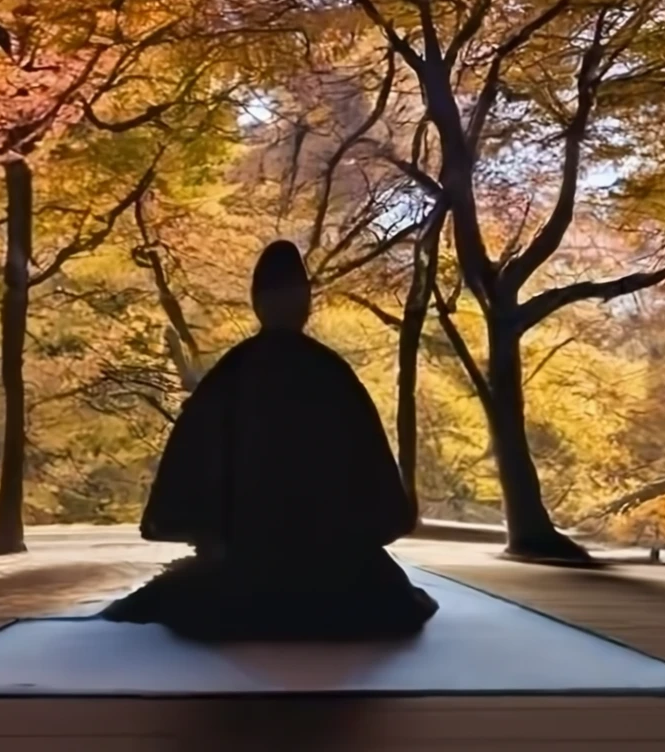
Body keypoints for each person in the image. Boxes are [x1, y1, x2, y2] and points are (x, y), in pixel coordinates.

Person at [103, 240, 438, 641]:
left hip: (244, 562)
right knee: (382, 599)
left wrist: (214, 533)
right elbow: (374, 480)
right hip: (331, 566)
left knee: (200, 593)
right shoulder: (332, 374)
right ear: (305, 305)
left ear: (256, 302)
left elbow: (191, 471)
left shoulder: (231, 374)